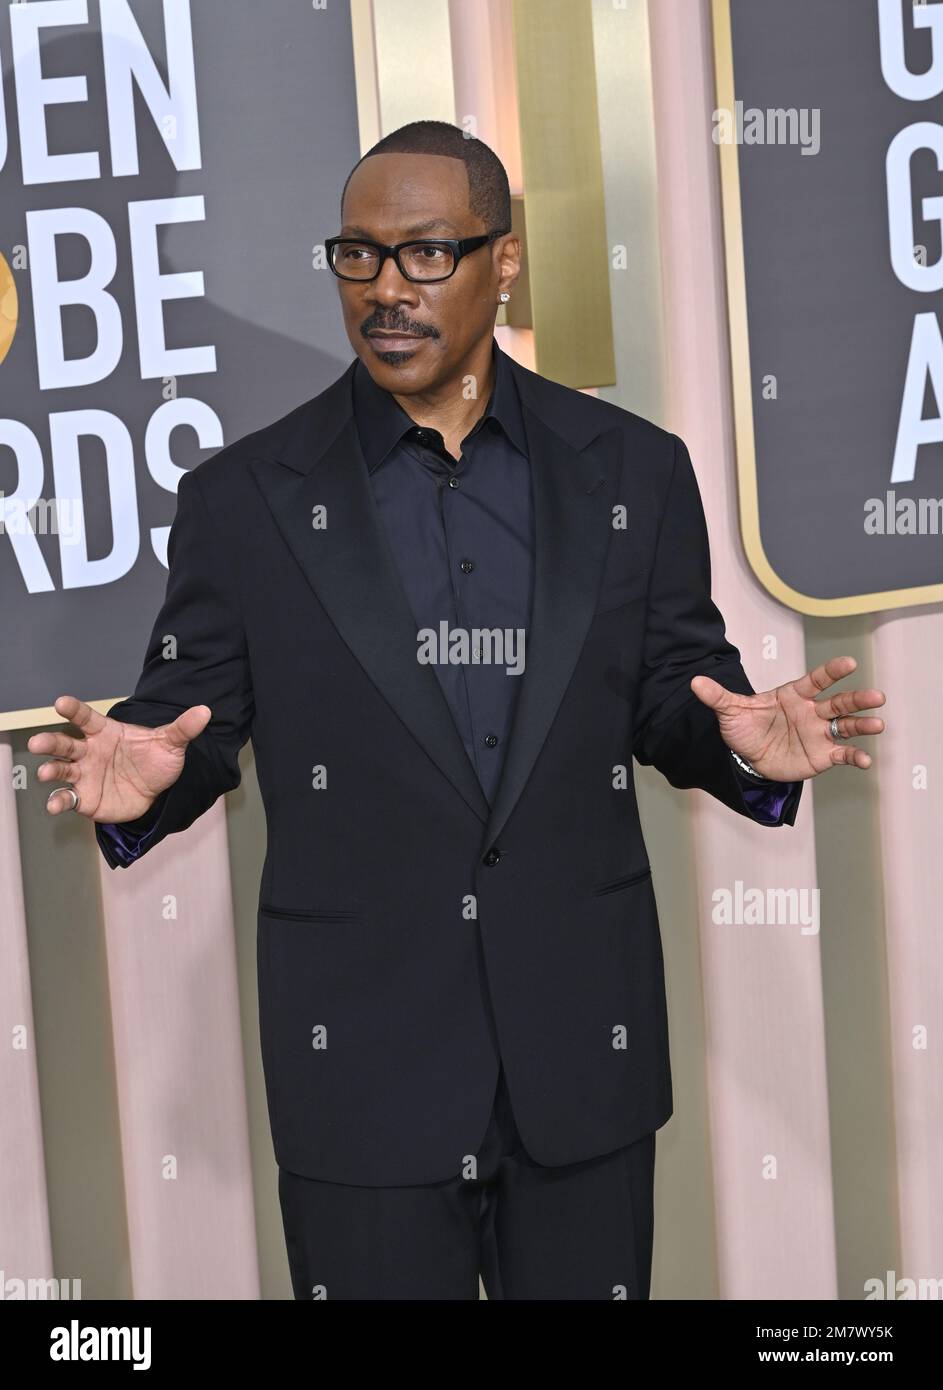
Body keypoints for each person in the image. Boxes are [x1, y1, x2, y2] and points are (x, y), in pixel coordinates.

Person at [28, 121, 887, 1301]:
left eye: (428, 255)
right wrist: (149, 779)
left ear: (505, 263)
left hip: (580, 1055)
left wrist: (743, 742)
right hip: (363, 1070)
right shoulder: (244, 498)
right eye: (358, 257)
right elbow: (190, 724)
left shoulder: (632, 469)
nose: (386, 290)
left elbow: (670, 695)